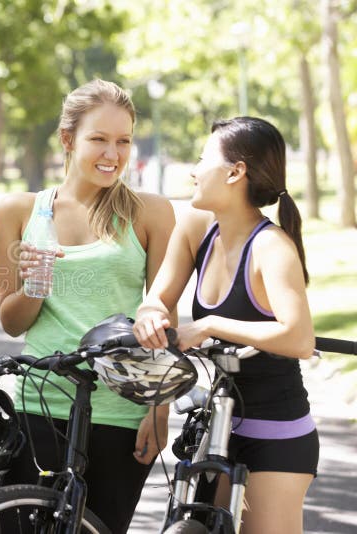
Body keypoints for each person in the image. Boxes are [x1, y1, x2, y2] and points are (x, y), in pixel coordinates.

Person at [0, 79, 176, 533]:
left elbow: (163, 314)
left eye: (123, 141)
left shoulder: (150, 213)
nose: (112, 153)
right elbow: (11, 323)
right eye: (98, 139)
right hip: (39, 400)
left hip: (123, 406)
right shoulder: (19, 212)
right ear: (68, 139)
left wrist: (160, 406)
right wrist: (35, 285)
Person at [133, 116, 317, 534]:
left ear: (236, 172)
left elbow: (299, 337)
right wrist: (150, 319)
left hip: (277, 434)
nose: (194, 171)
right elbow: (157, 299)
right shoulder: (197, 228)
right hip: (218, 426)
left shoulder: (272, 246)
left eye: (203, 159)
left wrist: (214, 324)